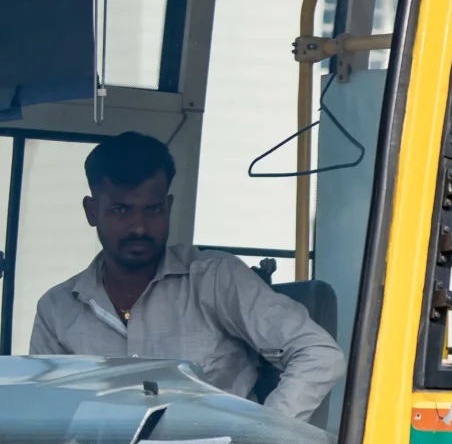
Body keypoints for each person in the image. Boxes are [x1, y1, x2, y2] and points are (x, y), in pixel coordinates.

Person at [29, 132, 345, 422]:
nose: (139, 227)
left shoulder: (215, 280)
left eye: (152, 210)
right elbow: (44, 415)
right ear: (92, 211)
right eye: (121, 211)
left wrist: (262, 440)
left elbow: (318, 355)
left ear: (167, 208)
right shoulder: (58, 309)